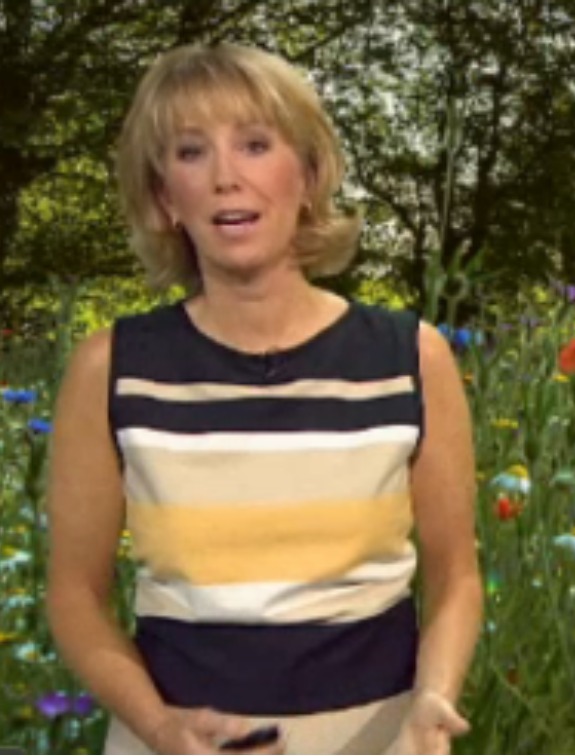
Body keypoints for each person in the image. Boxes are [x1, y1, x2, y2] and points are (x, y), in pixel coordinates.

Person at [43, 42, 483, 754]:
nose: (225, 178)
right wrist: (159, 726)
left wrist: (433, 697)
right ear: (164, 198)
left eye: (254, 145)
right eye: (191, 152)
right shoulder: (111, 368)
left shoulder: (409, 357)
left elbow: (456, 574)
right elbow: (73, 595)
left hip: (379, 736)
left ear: (307, 175)